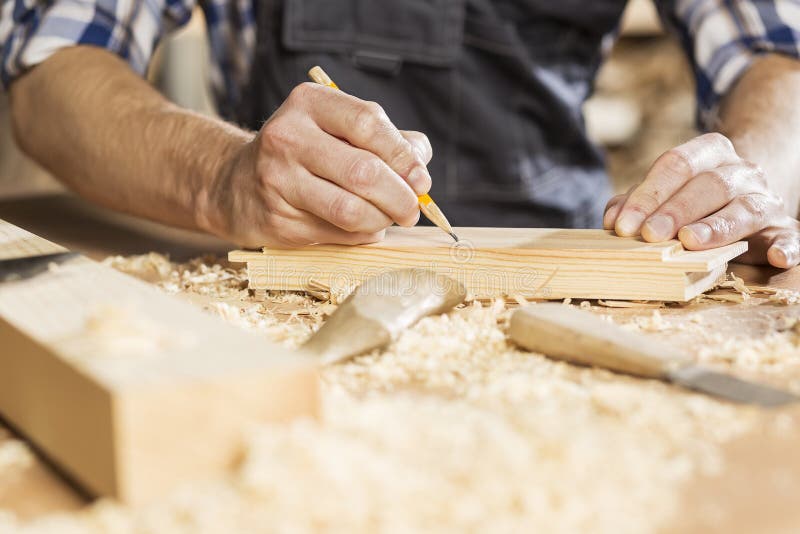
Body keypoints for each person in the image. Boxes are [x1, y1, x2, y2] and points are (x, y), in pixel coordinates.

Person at [2, 1, 799, 268]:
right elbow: (52, 68)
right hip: (287, 272)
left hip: (572, 269)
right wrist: (222, 178)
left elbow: (778, 52)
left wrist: (739, 179)